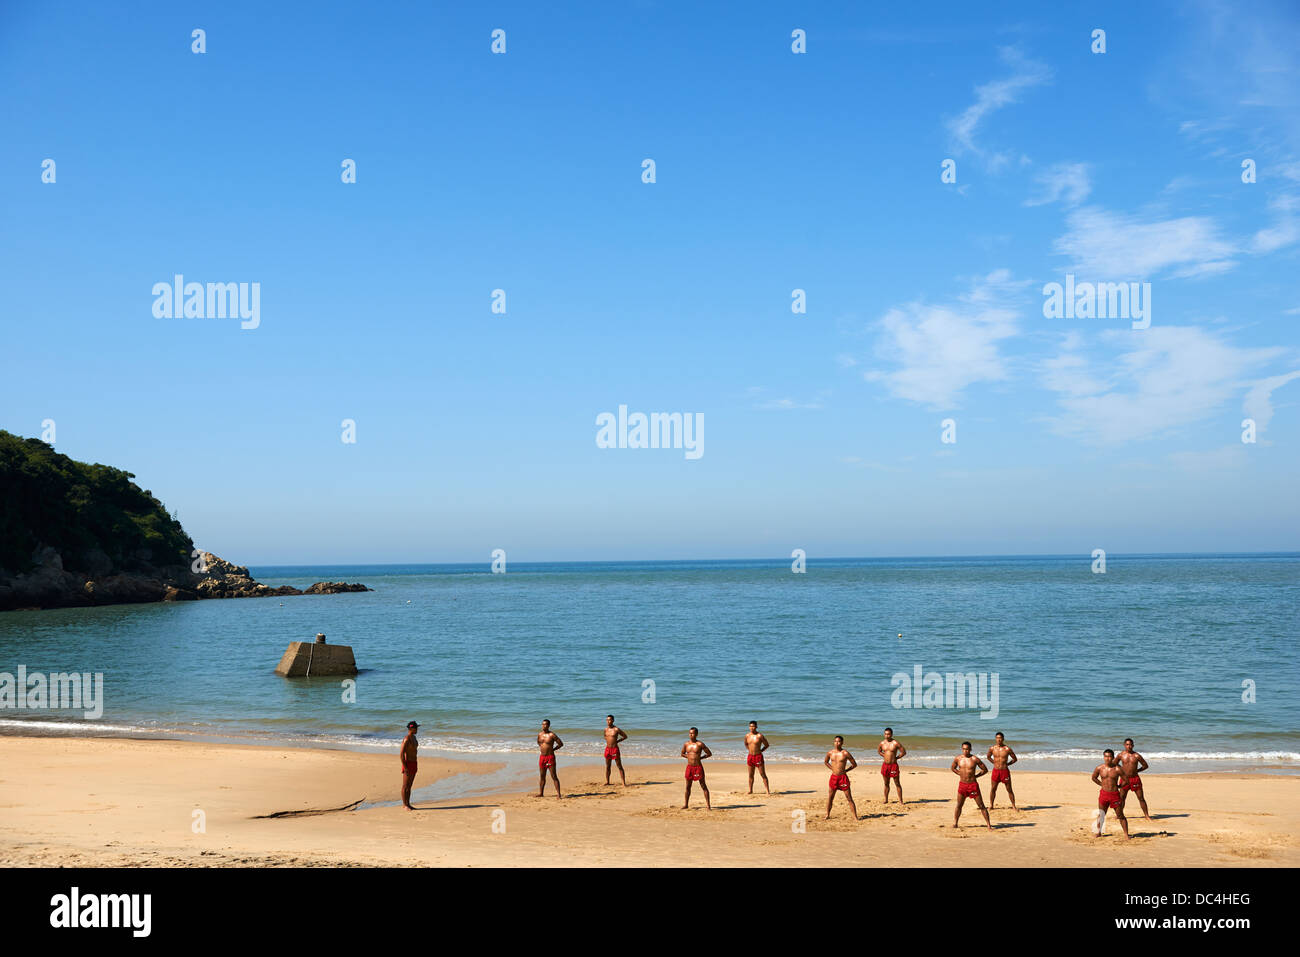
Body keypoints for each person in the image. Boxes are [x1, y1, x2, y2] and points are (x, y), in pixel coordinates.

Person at [950, 741, 992, 829]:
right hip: (962, 785)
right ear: (962, 749)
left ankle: (988, 825)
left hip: (973, 785)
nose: (966, 751)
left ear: (970, 749)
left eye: (967, 749)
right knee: (959, 805)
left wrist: (976, 776)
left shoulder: (975, 759)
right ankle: (955, 823)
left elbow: (985, 770)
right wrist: (959, 774)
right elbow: (953, 768)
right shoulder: (958, 759)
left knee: (981, 805)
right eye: (964, 749)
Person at [1091, 749, 1130, 840]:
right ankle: (1099, 832)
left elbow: (1126, 780)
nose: (1108, 758)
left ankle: (1126, 834)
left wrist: (1120, 786)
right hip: (1104, 794)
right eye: (1106, 756)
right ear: (1103, 757)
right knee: (1101, 814)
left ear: (1113, 757)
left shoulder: (1117, 769)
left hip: (1115, 795)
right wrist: (1101, 784)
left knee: (1120, 815)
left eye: (1110, 756)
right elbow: (1093, 778)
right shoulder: (1099, 768)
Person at [824, 736, 859, 820]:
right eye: (835, 741)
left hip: (843, 778)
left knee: (849, 798)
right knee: (830, 798)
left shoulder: (845, 753)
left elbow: (854, 764)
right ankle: (827, 815)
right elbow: (826, 762)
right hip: (834, 777)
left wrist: (846, 771)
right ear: (834, 742)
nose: (837, 743)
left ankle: (855, 817)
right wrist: (832, 768)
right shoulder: (830, 753)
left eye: (839, 742)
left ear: (842, 743)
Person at [1117, 738, 1151, 821]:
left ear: (1133, 745)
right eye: (1127, 744)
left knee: (1141, 798)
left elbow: (1145, 766)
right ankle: (1120, 815)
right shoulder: (1121, 755)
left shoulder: (1137, 755)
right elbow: (1114, 764)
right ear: (1124, 745)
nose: (1129, 746)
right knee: (1122, 798)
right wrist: (1120, 770)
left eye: (1131, 744)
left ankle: (1146, 815)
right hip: (1124, 779)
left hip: (1135, 779)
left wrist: (1137, 770)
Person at [681, 727, 712, 810]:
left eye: (693, 733)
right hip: (689, 767)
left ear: (696, 734)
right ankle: (686, 804)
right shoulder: (686, 744)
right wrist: (687, 756)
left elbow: (709, 753)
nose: (691, 735)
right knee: (688, 786)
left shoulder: (700, 744)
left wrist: (700, 758)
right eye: (690, 733)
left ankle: (708, 806)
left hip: (698, 767)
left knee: (703, 786)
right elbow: (682, 754)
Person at [986, 732, 1018, 810]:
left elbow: (1015, 759)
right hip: (996, 771)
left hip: (1004, 771)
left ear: (1003, 739)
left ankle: (1013, 806)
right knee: (993, 788)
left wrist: (1007, 764)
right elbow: (988, 757)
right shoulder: (992, 748)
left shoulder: (1007, 749)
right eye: (997, 738)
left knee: (1009, 789)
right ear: (995, 739)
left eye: (1000, 738)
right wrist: (994, 762)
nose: (999, 739)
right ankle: (991, 805)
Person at [878, 727, 907, 804]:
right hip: (885, 765)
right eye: (885, 734)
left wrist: (897, 758)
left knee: (897, 783)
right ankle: (886, 799)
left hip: (893, 765)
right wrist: (884, 756)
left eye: (888, 734)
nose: (887, 736)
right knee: (886, 783)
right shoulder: (882, 743)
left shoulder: (895, 743)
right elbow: (879, 751)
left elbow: (903, 752)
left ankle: (901, 801)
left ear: (891, 734)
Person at [537, 719, 564, 799]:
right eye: (542, 724)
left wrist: (554, 749)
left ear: (548, 725)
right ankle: (541, 793)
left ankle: (559, 794)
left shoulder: (552, 735)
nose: (543, 726)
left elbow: (561, 744)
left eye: (545, 724)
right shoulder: (540, 735)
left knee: (554, 776)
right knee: (542, 776)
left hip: (550, 757)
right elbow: (539, 743)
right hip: (542, 757)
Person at [744, 720, 771, 795]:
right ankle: (750, 790)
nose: (752, 728)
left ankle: (767, 791)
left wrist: (761, 751)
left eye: (753, 726)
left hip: (758, 756)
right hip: (750, 756)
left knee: (762, 774)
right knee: (750, 774)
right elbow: (746, 744)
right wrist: (750, 750)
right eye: (750, 726)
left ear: (756, 727)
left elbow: (767, 745)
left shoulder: (760, 736)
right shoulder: (747, 736)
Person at [603, 714, 628, 786]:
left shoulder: (616, 729)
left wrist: (617, 741)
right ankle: (608, 782)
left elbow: (625, 736)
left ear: (613, 720)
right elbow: (605, 736)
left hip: (615, 749)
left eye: (610, 720)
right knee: (608, 766)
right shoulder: (605, 729)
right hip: (608, 749)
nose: (608, 721)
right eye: (607, 720)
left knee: (619, 766)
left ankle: (623, 783)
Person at [400, 721, 419, 810]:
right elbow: (401, 754)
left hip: (414, 763)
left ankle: (408, 804)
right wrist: (405, 767)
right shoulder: (406, 739)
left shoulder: (414, 738)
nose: (417, 729)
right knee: (405, 785)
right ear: (411, 729)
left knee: (410, 786)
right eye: (416, 728)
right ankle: (404, 805)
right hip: (408, 763)